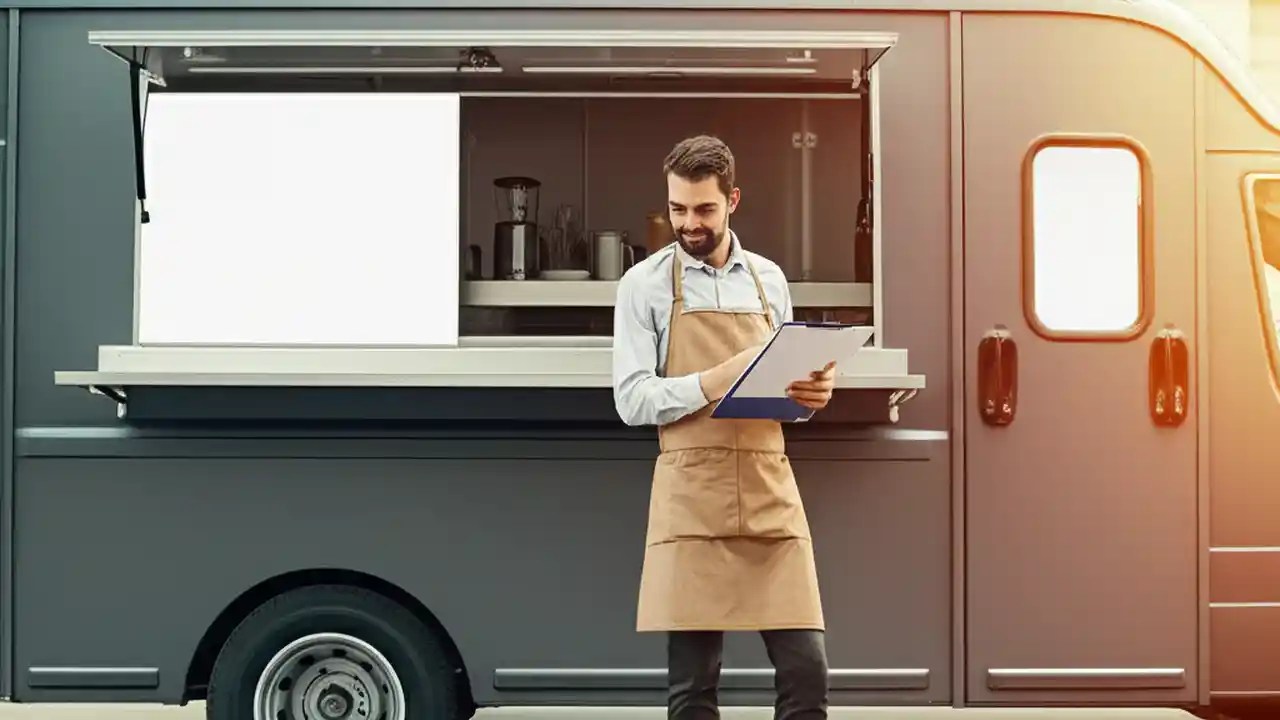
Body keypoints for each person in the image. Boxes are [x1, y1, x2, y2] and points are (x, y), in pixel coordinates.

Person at [611, 134, 836, 720]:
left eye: (704, 209)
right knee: (693, 687)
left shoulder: (770, 281)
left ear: (732, 199)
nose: (689, 224)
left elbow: (787, 391)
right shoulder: (644, 285)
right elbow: (632, 400)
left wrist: (811, 397)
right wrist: (719, 379)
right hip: (693, 495)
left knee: (806, 673)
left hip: (768, 489)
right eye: (678, 209)